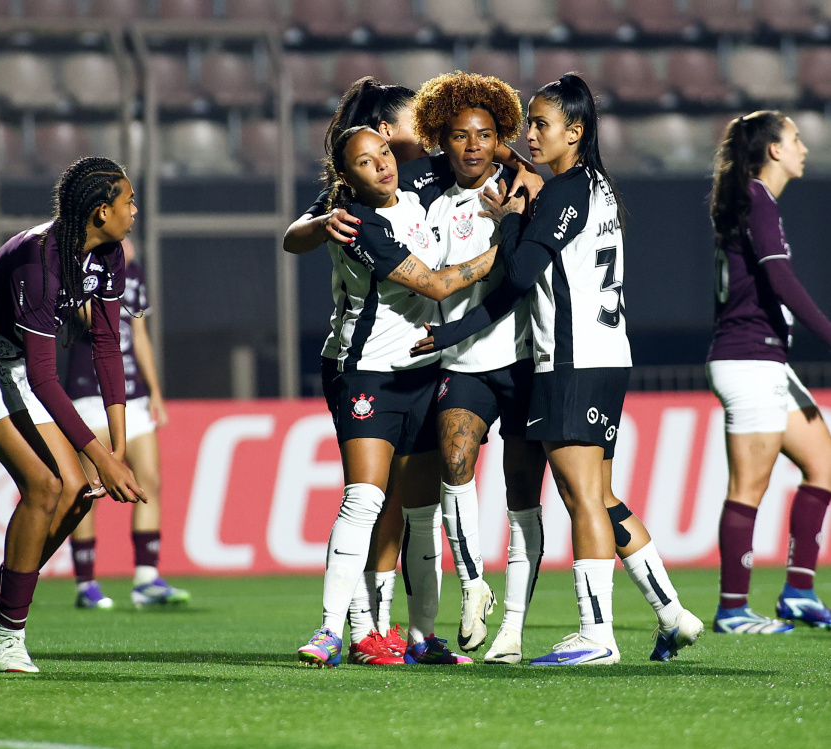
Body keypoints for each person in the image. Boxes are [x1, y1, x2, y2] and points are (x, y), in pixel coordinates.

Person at [412, 74, 704, 665]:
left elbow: (518, 275)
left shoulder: (565, 192)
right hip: (605, 355)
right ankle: (672, 613)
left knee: (581, 498)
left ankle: (596, 635)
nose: (529, 135)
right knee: (598, 494)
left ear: (575, 131)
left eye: (541, 124)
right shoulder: (593, 185)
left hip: (570, 361)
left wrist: (513, 214)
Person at [284, 76, 543, 665]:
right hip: (366, 369)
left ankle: (417, 635)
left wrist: (524, 167)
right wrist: (510, 244)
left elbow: (491, 145)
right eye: (409, 127)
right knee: (369, 500)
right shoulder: (353, 208)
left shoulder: (420, 180)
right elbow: (434, 281)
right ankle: (346, 628)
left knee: (415, 510)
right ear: (382, 129)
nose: (420, 139)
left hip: (426, 365)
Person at [0, 156, 145, 673]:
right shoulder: (40, 260)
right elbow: (47, 380)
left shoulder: (108, 254)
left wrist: (114, 451)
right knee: (44, 486)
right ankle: (6, 638)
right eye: (128, 201)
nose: (135, 211)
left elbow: (108, 346)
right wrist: (105, 458)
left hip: (11, 360)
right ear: (99, 211)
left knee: (79, 487)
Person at [409, 72, 548, 658]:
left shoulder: (528, 195)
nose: (472, 145)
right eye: (461, 135)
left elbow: (518, 284)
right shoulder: (428, 203)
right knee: (455, 464)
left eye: (485, 135)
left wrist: (513, 212)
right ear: (443, 140)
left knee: (522, 497)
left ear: (500, 141)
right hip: (462, 363)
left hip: (521, 361)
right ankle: (473, 585)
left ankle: (513, 630)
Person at [707, 110, 831, 634]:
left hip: (766, 361)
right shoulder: (758, 198)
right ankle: (733, 609)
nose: (803, 147)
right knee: (748, 488)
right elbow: (778, 279)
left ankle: (798, 591)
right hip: (748, 358)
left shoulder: (756, 200)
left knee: (823, 463)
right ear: (775, 150)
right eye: (796, 139)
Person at [65, 238, 190, 610]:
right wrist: (104, 270)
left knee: (149, 480)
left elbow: (138, 334)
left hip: (133, 396)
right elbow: (87, 320)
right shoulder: (77, 269)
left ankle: (146, 581)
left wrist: (155, 391)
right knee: (91, 489)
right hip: (89, 392)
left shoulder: (133, 272)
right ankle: (85, 583)